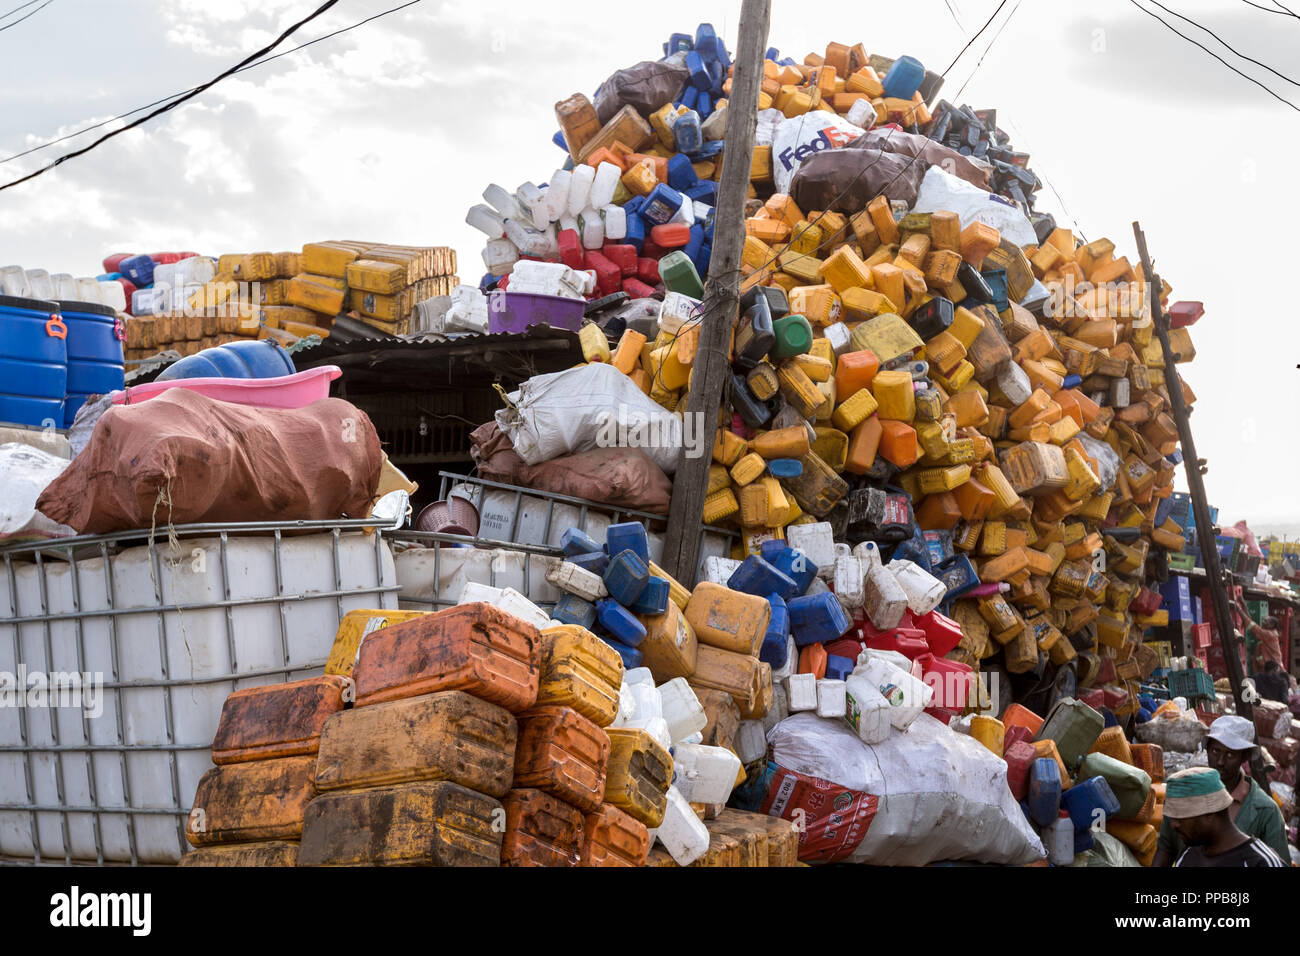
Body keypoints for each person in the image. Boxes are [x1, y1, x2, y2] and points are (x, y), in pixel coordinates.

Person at [1152, 715, 1290, 866]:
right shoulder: (1186, 795)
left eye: (1230, 755)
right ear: (1207, 749)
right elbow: (1166, 848)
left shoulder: (1265, 810)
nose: (1220, 761)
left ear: (1245, 756)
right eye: (1215, 751)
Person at [1164, 767, 1288, 867]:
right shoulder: (1188, 856)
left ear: (1209, 813)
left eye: (1180, 816)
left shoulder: (1261, 862)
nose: (1174, 824)